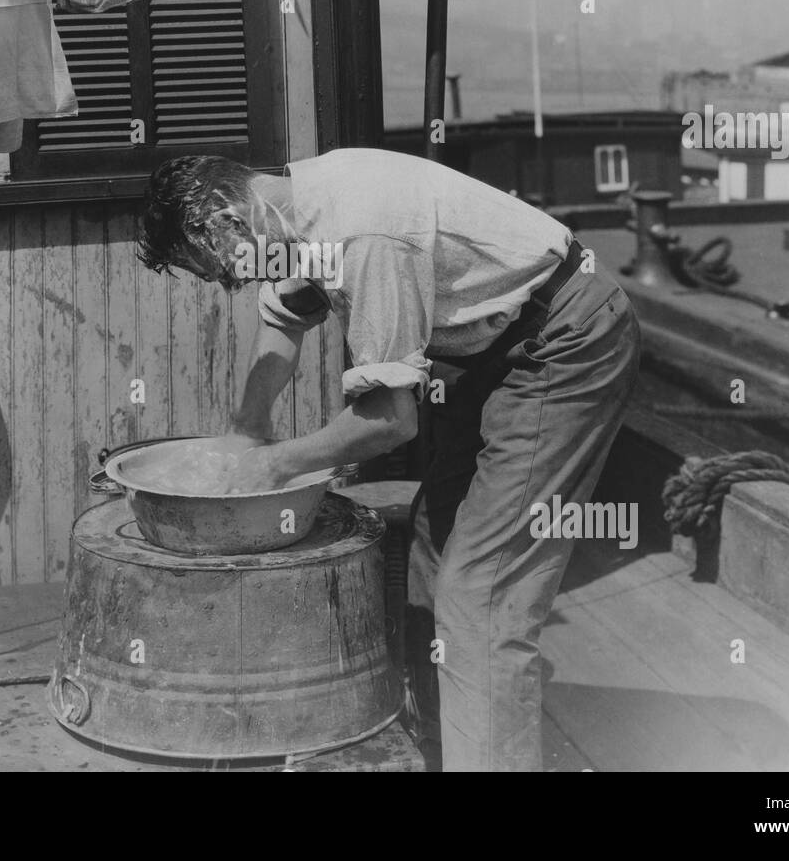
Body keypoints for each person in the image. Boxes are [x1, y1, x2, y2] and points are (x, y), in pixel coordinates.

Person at [136, 147, 641, 772]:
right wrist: (246, 430)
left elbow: (389, 421)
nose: (230, 283)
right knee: (435, 548)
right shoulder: (295, 206)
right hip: (494, 348)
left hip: (563, 341)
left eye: (221, 271)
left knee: (482, 592)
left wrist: (272, 467)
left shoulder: (364, 234)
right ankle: (445, 750)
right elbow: (284, 324)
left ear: (229, 222)